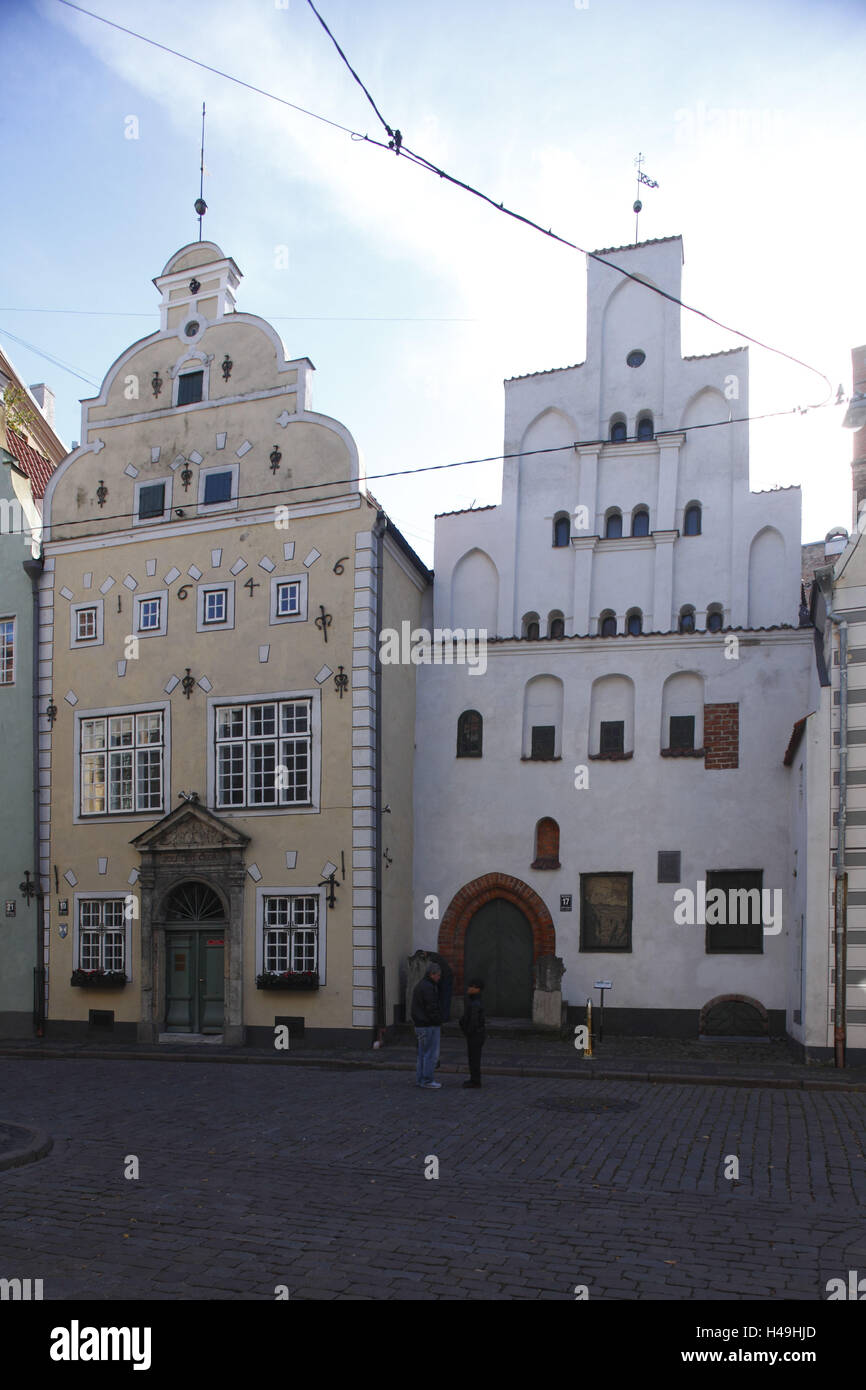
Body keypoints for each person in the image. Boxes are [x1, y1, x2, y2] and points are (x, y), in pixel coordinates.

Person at [411, 963, 442, 1088]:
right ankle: (427, 1080)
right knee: (430, 1054)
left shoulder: (421, 985)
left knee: (422, 1054)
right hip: (428, 1025)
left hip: (420, 1024)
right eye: (438, 975)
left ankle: (420, 1079)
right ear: (432, 974)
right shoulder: (429, 987)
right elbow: (432, 1007)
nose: (439, 978)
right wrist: (438, 1019)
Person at [459, 977, 486, 1088]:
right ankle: (474, 1079)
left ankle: (475, 1081)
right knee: (474, 1057)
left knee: (474, 1058)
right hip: (477, 1033)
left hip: (475, 1034)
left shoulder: (475, 1003)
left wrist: (467, 1031)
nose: (468, 988)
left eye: (471, 986)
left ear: (476, 989)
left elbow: (473, 1021)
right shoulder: (474, 1001)